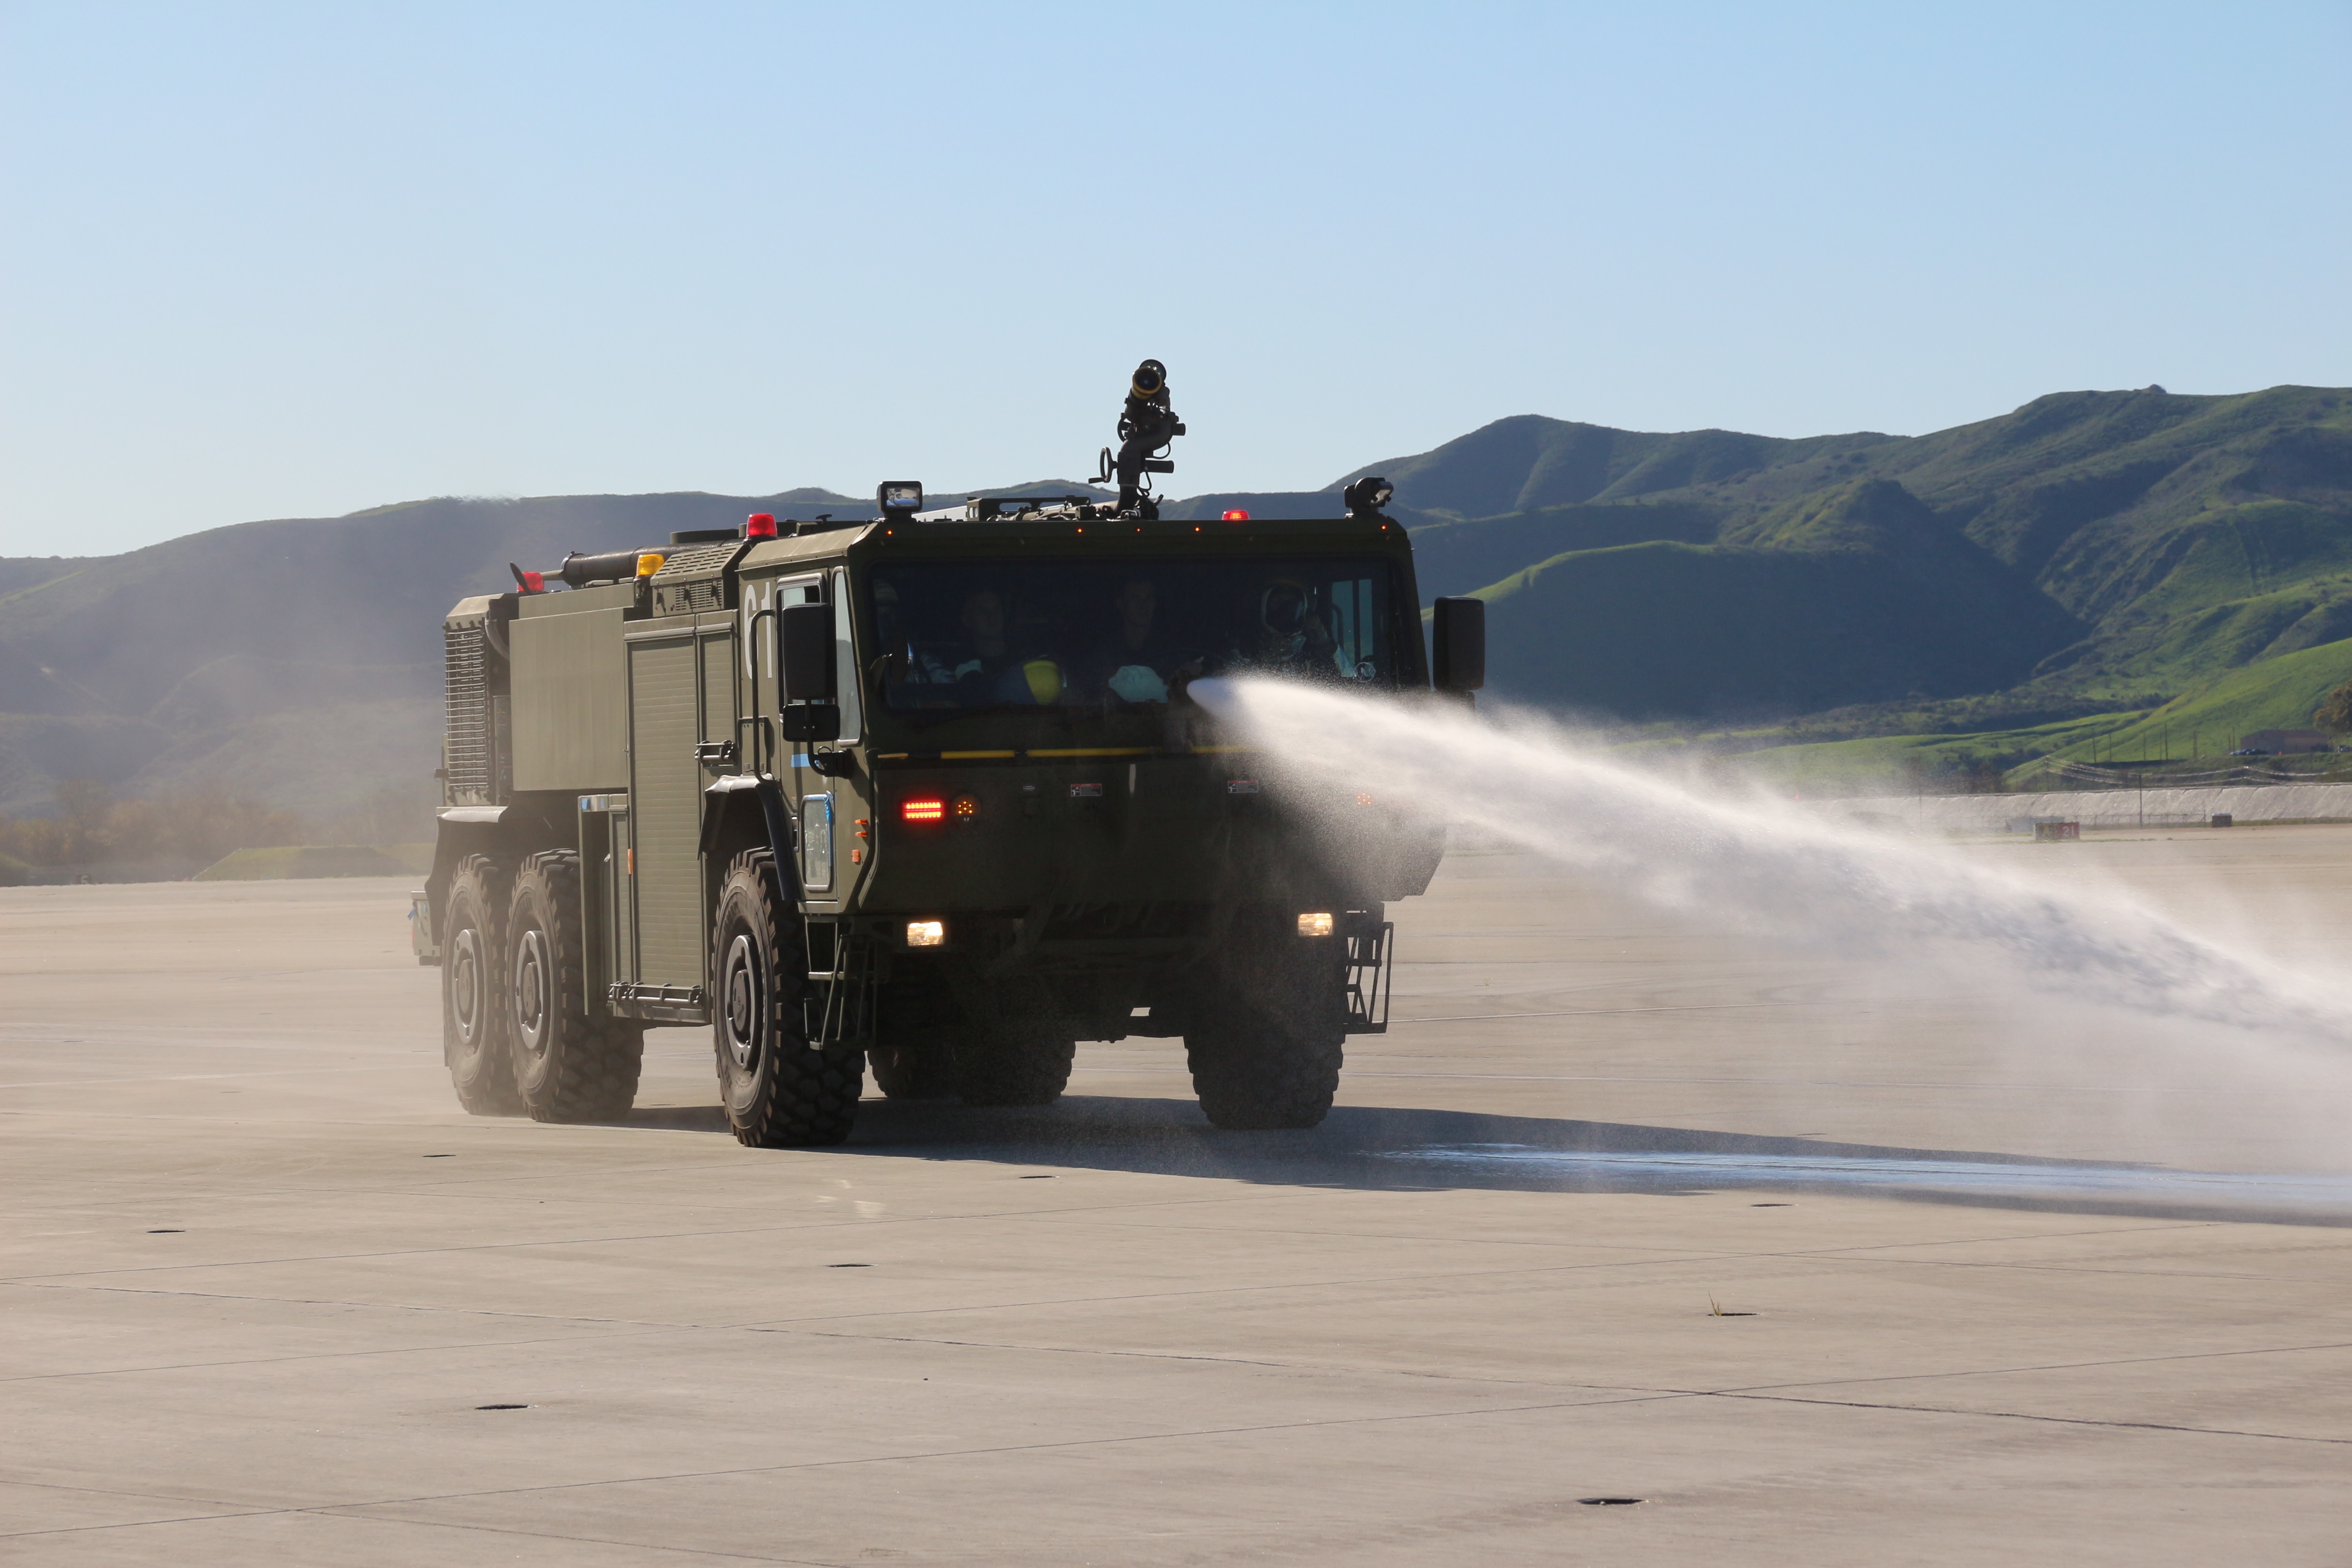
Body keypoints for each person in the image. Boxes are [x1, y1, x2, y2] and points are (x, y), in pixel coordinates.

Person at [1085, 575, 1200, 704]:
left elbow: (1182, 699)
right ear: (1121, 604)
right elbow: (1094, 698)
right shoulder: (1105, 653)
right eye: (1135, 599)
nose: (1143, 606)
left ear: (1155, 603)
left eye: (1148, 599)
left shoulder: (1173, 651)